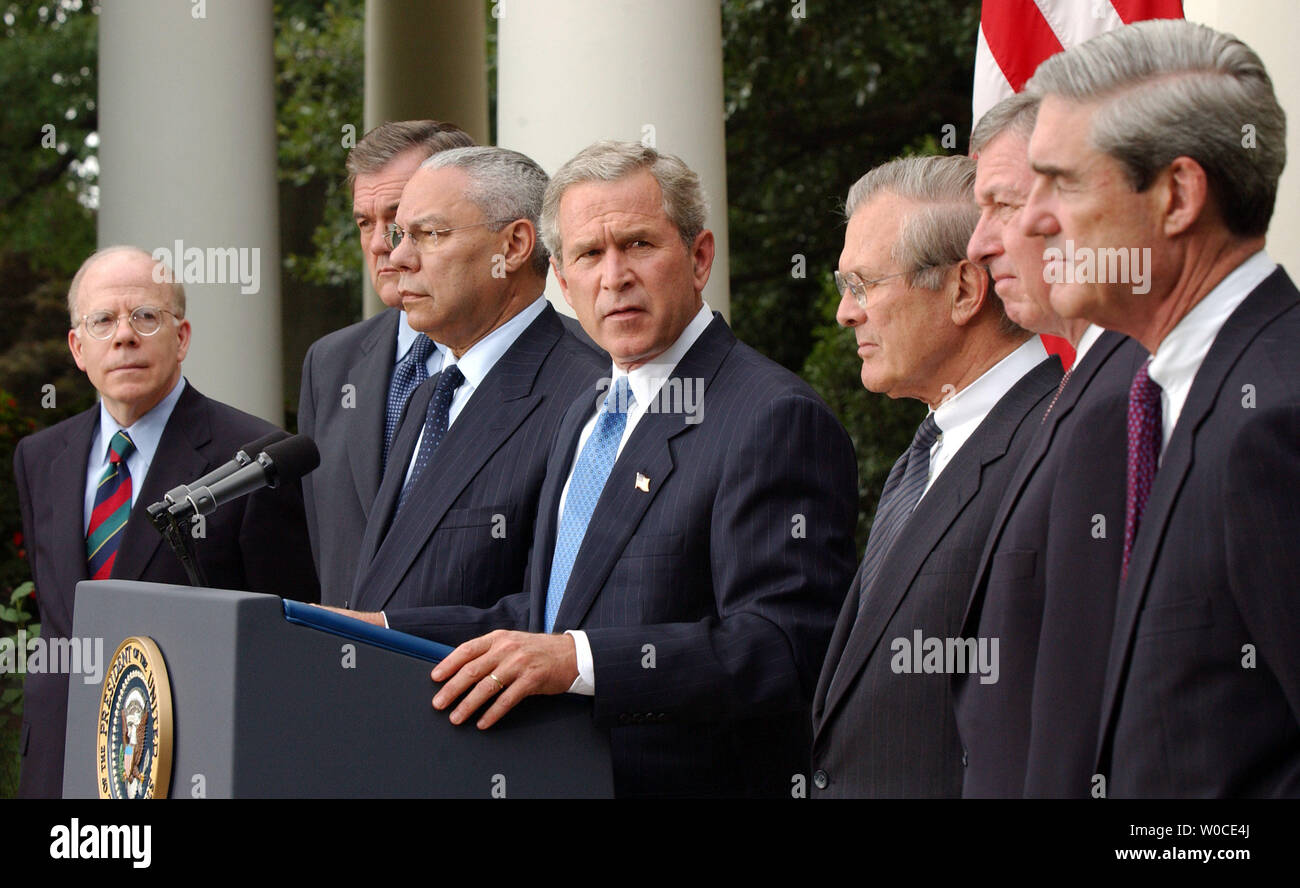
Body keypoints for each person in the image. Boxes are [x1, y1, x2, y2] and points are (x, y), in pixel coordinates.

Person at [343, 140, 858, 798]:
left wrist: (580, 661)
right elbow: (548, 613)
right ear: (562, 278)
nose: (614, 276)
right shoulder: (587, 415)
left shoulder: (771, 417)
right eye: (590, 255)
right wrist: (385, 630)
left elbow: (784, 646)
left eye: (638, 245)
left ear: (699, 258)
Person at [1021, 18, 1299, 797]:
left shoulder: (1275, 417)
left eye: (1063, 181)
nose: (1034, 219)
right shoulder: (1174, 394)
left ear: (1176, 195)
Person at [13, 246, 318, 798]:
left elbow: (285, 636)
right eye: (102, 320)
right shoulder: (39, 458)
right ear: (78, 348)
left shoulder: (250, 458)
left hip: (192, 763)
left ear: (181, 338)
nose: (124, 336)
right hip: (60, 762)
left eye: (145, 317)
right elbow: (57, 617)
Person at [810, 155, 1061, 797]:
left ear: (964, 291)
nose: (846, 312)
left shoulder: (1056, 443)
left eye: (864, 285)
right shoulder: (928, 446)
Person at [956, 91, 1147, 797]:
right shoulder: (1093, 383)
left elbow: (1089, 692)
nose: (979, 243)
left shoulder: (1122, 396)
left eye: (1000, 205)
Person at [342, 146, 606, 615]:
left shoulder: (591, 395)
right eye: (403, 235)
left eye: (428, 234)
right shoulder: (430, 392)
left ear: (513, 246)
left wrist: (378, 630)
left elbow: (562, 613)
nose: (397, 256)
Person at [298, 120, 473, 605]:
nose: (379, 243)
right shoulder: (329, 364)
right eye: (364, 222)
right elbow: (319, 545)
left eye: (398, 219)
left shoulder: (572, 367)